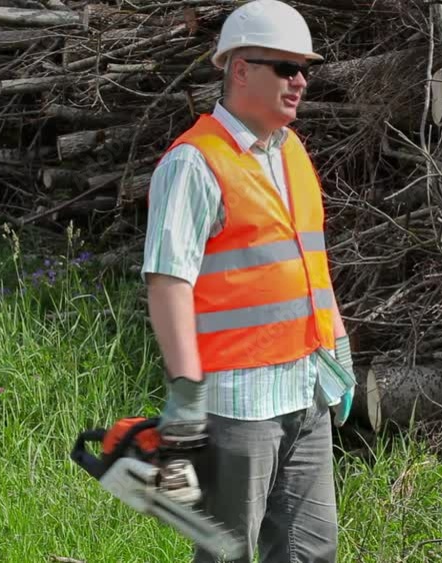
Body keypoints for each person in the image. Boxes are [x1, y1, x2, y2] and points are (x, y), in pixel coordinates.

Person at [141, 1, 358, 561]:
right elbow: (168, 281)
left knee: (313, 551)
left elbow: (313, 263)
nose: (300, 80)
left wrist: (340, 349)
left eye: (303, 68)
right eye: (285, 67)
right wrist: (186, 392)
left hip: (306, 389)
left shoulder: (292, 154)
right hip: (238, 405)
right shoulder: (195, 162)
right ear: (240, 69)